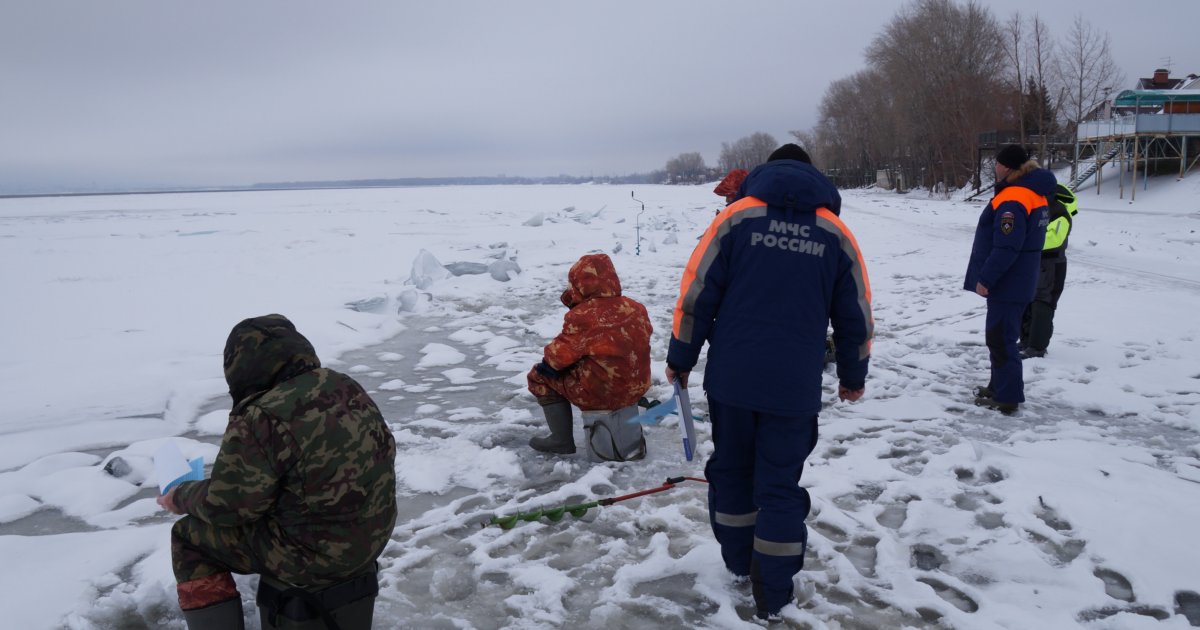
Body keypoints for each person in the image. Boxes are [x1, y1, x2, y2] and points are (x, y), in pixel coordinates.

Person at [666, 144, 873, 621]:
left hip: (733, 380)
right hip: (793, 388)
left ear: (765, 172)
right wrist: (852, 375)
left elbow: (697, 293)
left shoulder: (735, 218)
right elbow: (855, 314)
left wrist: (681, 357)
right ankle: (772, 591)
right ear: (813, 176)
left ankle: (739, 564)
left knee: (734, 471)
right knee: (778, 486)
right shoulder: (836, 233)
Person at [156, 314, 397, 630]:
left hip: (314, 555)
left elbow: (230, 507)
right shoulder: (345, 386)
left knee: (188, 538)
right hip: (372, 537)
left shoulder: (263, 413)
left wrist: (181, 496)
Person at [526, 253, 653, 454]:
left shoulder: (584, 315)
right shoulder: (635, 308)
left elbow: (555, 358)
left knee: (539, 376)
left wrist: (576, 305)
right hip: (636, 387)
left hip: (605, 395)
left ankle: (561, 440)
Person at [966, 145, 1055, 413]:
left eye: (997, 163)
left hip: (1008, 281)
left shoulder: (1014, 197)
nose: (995, 167)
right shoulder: (1033, 193)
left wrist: (986, 278)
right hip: (1019, 278)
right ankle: (998, 386)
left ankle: (1007, 396)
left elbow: (1007, 246)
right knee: (1000, 336)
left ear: (1007, 167)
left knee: (1000, 338)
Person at [1020, 183, 1079, 358]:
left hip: (1051, 264)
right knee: (1026, 302)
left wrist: (1024, 240)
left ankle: (1037, 347)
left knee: (1042, 304)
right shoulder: (1033, 207)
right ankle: (1025, 342)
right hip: (1031, 262)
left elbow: (1055, 239)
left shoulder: (1059, 210)